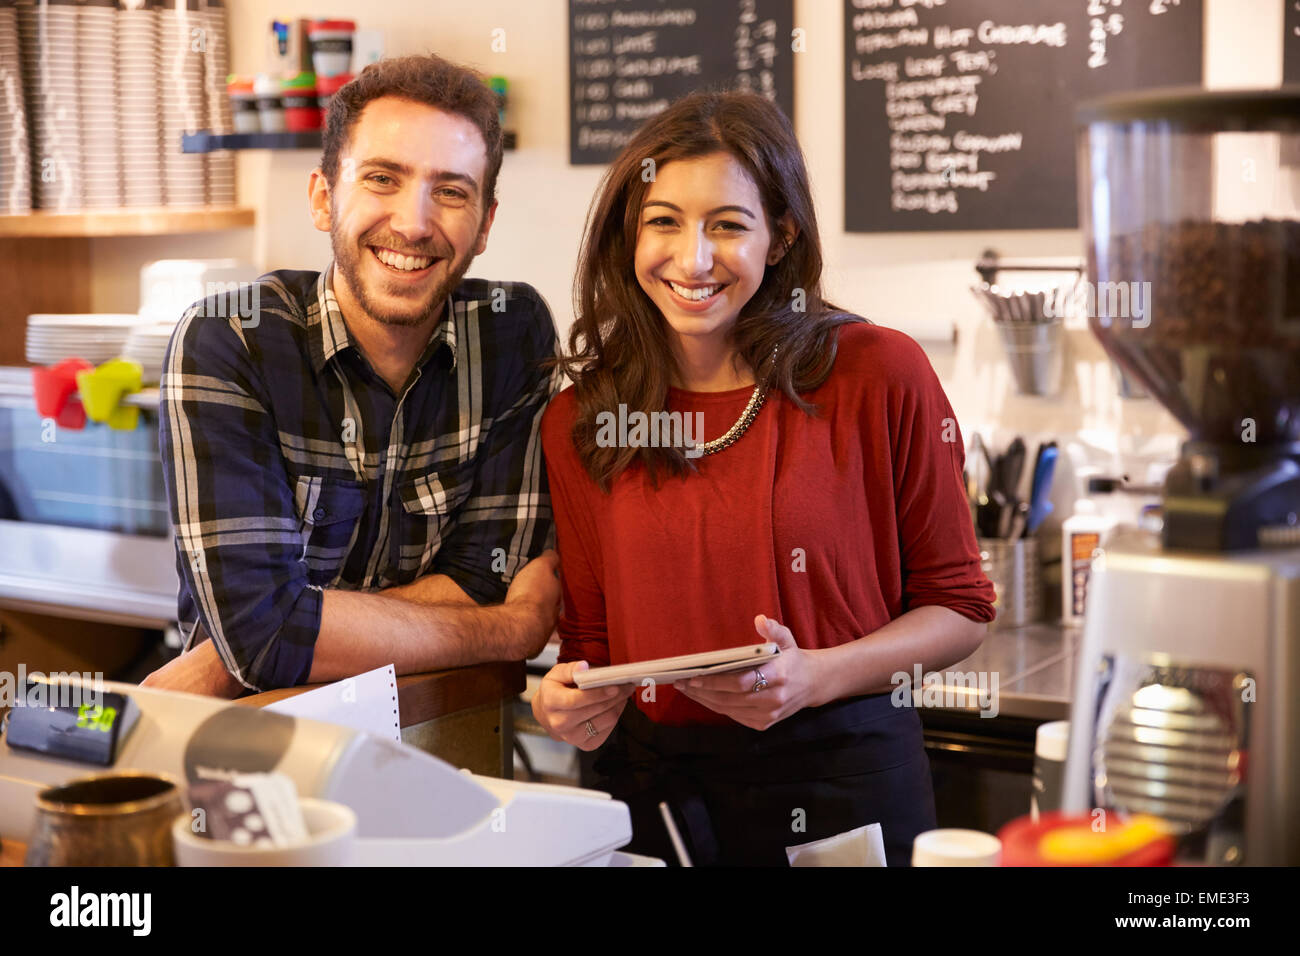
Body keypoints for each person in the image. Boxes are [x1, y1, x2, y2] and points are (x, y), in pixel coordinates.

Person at [532, 91, 996, 866]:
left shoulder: (878, 374)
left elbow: (961, 608)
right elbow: (589, 645)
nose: (694, 258)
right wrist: (567, 700)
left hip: (844, 781)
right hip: (652, 801)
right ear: (629, 234)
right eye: (664, 221)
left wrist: (815, 675)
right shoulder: (583, 418)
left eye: (728, 225)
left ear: (780, 237)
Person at [143, 55, 562, 696]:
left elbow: (486, 576)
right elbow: (266, 641)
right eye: (382, 178)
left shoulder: (512, 333)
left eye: (451, 191)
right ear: (323, 197)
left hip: (449, 725)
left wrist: (258, 645)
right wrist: (512, 631)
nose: (415, 223)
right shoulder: (229, 340)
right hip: (258, 749)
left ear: (485, 225)